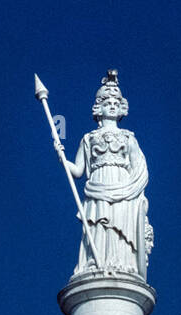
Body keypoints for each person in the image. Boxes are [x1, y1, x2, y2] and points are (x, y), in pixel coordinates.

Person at [62, 69, 152, 278]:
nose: (111, 106)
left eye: (115, 103)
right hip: (98, 184)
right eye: (107, 103)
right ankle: (96, 261)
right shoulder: (88, 138)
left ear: (121, 108)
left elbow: (139, 168)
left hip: (123, 187)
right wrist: (62, 158)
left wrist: (132, 190)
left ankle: (122, 262)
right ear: (99, 108)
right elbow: (78, 171)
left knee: (119, 223)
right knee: (99, 223)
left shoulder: (129, 138)